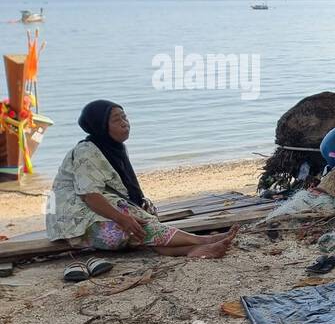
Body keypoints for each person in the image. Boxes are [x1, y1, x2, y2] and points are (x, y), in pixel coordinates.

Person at [45, 100, 238, 270]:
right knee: (127, 229)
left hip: (99, 205)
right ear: (100, 126)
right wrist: (122, 218)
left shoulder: (115, 148)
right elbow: (89, 195)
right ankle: (203, 240)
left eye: (125, 117)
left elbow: (123, 188)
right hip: (74, 217)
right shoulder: (86, 151)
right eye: (116, 120)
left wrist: (133, 211)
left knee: (139, 226)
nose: (124, 123)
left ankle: (193, 249)